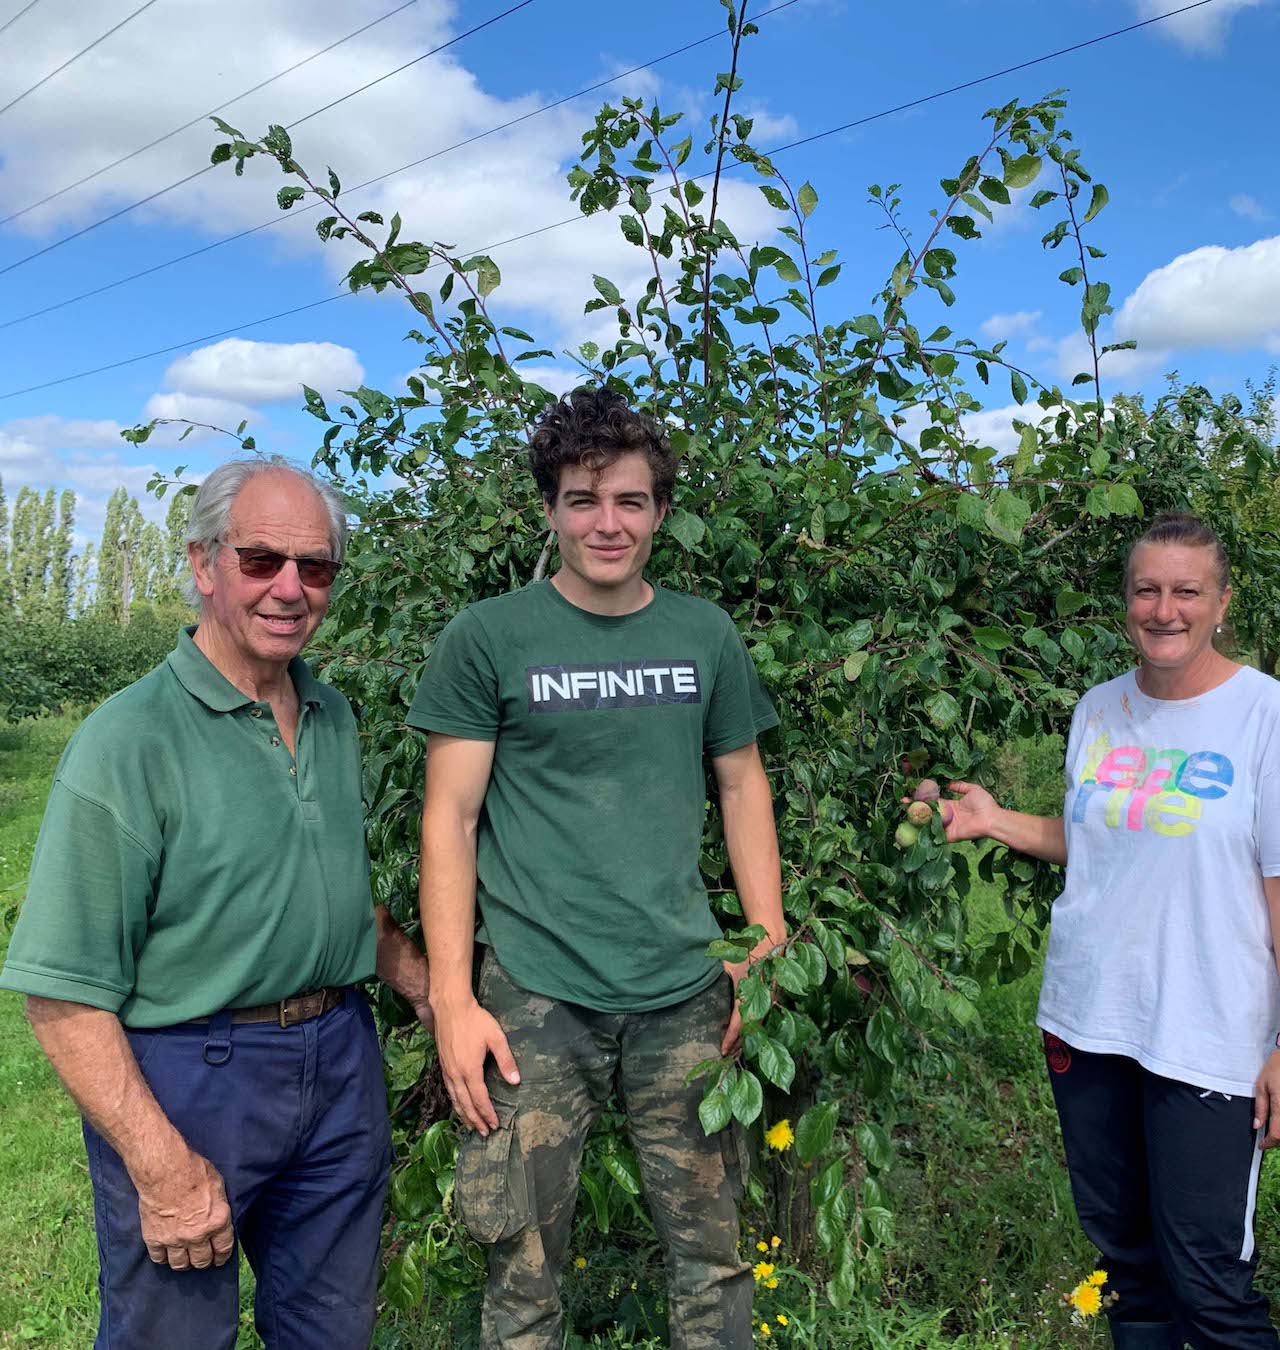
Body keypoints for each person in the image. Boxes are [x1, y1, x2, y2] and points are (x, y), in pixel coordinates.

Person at [0, 457, 432, 1348]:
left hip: (339, 1059)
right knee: (175, 1335)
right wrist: (158, 1165)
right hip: (193, 1073)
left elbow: (338, 894)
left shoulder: (331, 714)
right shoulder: (127, 742)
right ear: (204, 564)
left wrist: (433, 990)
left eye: (315, 568)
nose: (289, 589)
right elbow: (64, 995)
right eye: (261, 559)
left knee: (331, 1330)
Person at [411, 385, 785, 1350]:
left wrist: (768, 943)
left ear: (662, 510)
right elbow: (449, 821)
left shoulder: (704, 636)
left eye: (628, 500)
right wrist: (453, 999)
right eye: (583, 499)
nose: (606, 523)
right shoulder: (489, 638)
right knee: (523, 1268)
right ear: (549, 510)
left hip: (685, 988)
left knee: (714, 1255)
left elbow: (742, 786)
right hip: (535, 994)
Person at [932, 512, 1280, 1349]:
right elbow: (1105, 840)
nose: (1166, 610)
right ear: (1125, 602)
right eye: (1147, 590)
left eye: (1187, 591)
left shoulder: (1269, 716)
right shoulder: (1099, 708)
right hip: (1089, 1020)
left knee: (1208, 1276)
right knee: (1126, 1263)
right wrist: (996, 819)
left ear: (1221, 601)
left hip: (1209, 1033)